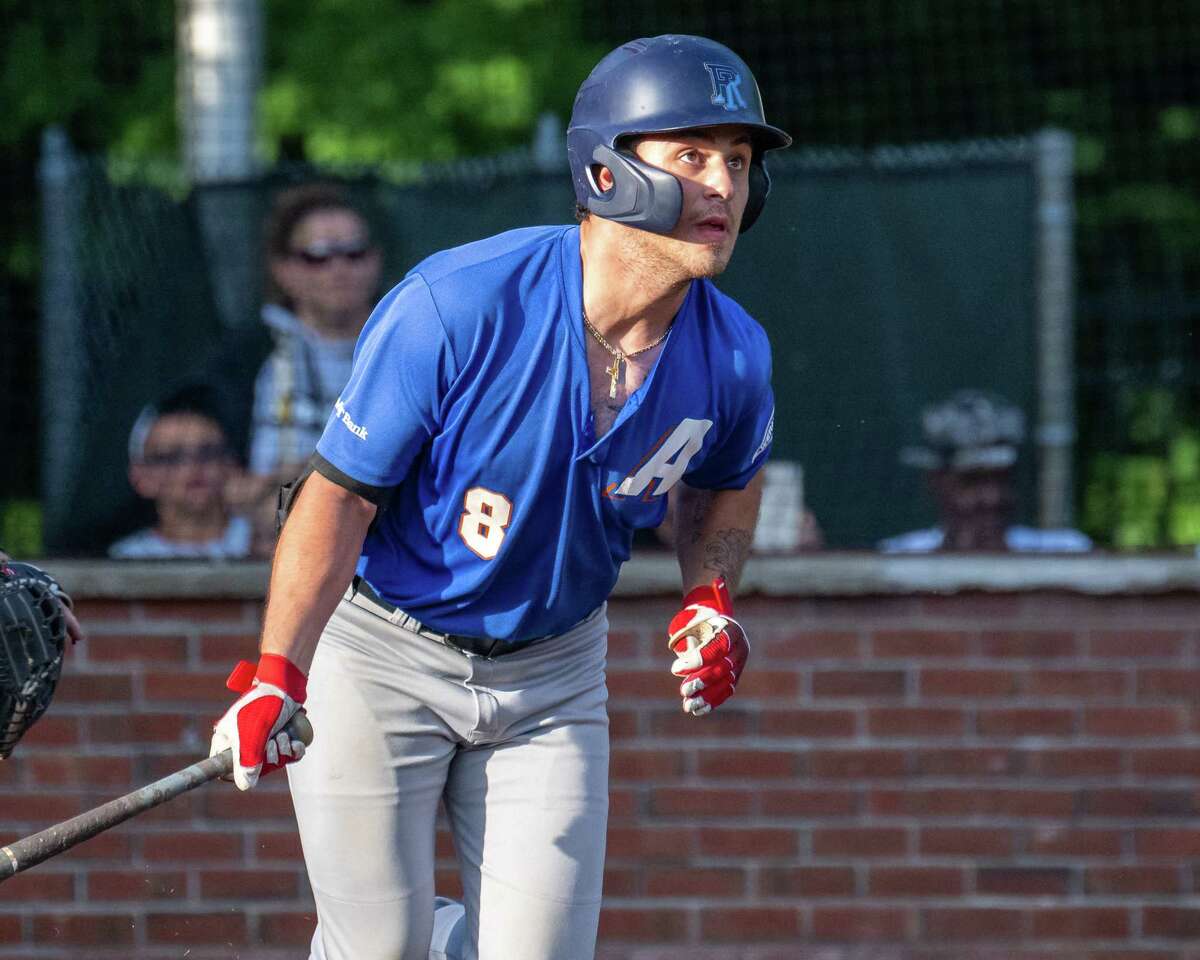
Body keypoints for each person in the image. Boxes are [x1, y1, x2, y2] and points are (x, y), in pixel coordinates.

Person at [210, 34, 788, 960]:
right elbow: (336, 499)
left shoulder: (735, 354)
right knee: (379, 951)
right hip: (384, 651)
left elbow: (728, 484)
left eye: (739, 161)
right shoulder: (461, 303)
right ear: (607, 173)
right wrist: (281, 668)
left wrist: (710, 598)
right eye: (691, 155)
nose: (724, 183)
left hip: (552, 675)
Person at [235, 182, 384, 556]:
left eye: (354, 253)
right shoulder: (247, 357)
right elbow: (232, 491)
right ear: (283, 269)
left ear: (375, 260)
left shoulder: (408, 344)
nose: (340, 269)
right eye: (318, 256)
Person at [879, 390, 1092, 553]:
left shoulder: (1065, 552)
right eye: (973, 481)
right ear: (937, 481)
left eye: (1004, 480)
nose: (993, 497)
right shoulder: (898, 559)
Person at [108, 386, 251, 559]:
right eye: (172, 457)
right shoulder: (126, 559)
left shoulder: (265, 544)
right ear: (140, 478)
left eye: (207, 452)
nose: (192, 467)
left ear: (231, 464)